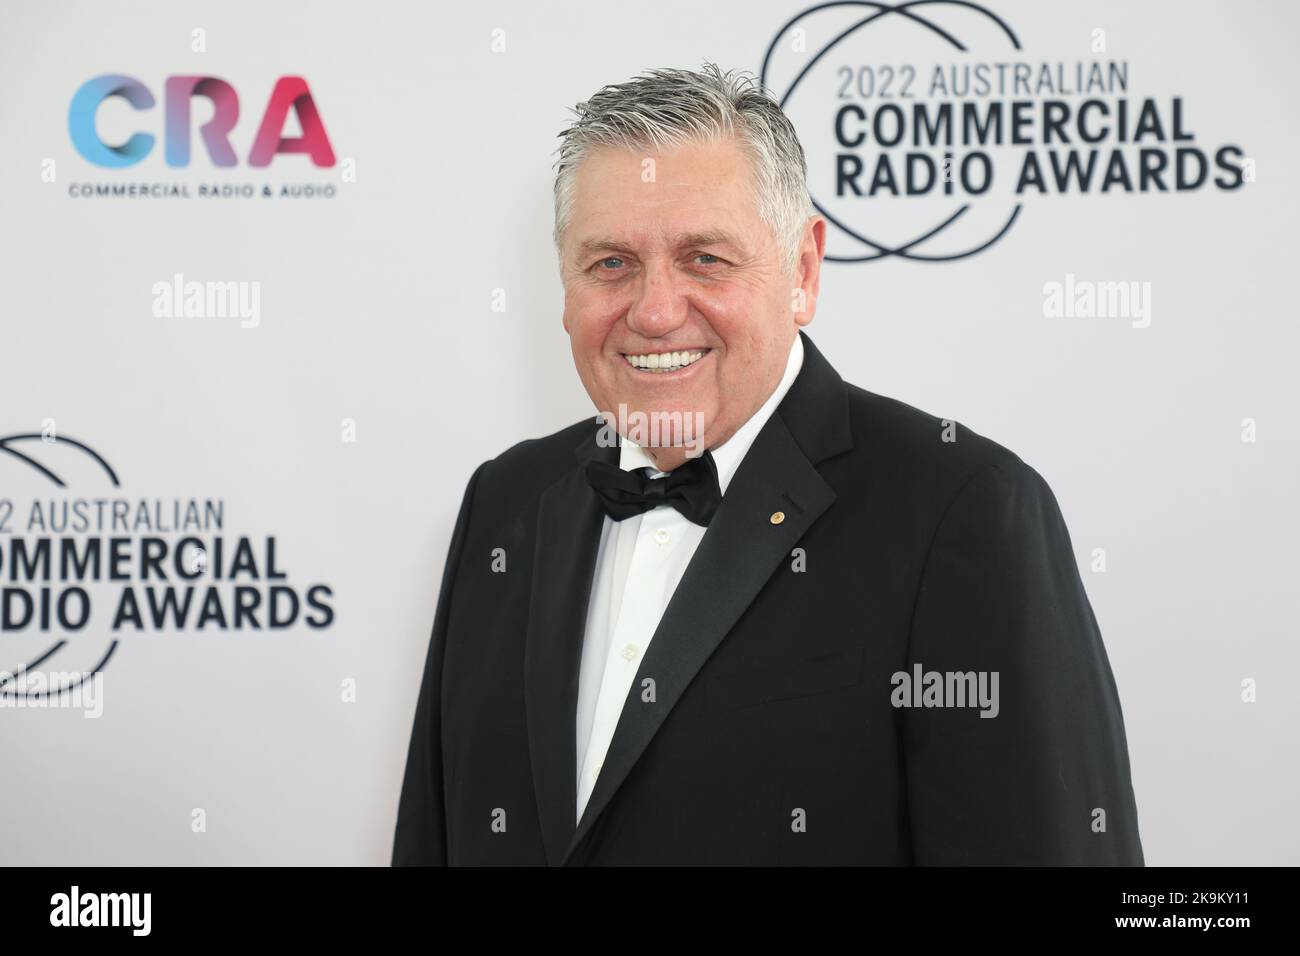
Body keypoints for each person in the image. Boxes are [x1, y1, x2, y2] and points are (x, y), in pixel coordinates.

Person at [392, 63, 1143, 865]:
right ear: (566, 286)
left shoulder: (965, 511)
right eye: (610, 263)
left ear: (803, 271)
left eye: (705, 259)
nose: (653, 311)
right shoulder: (503, 501)